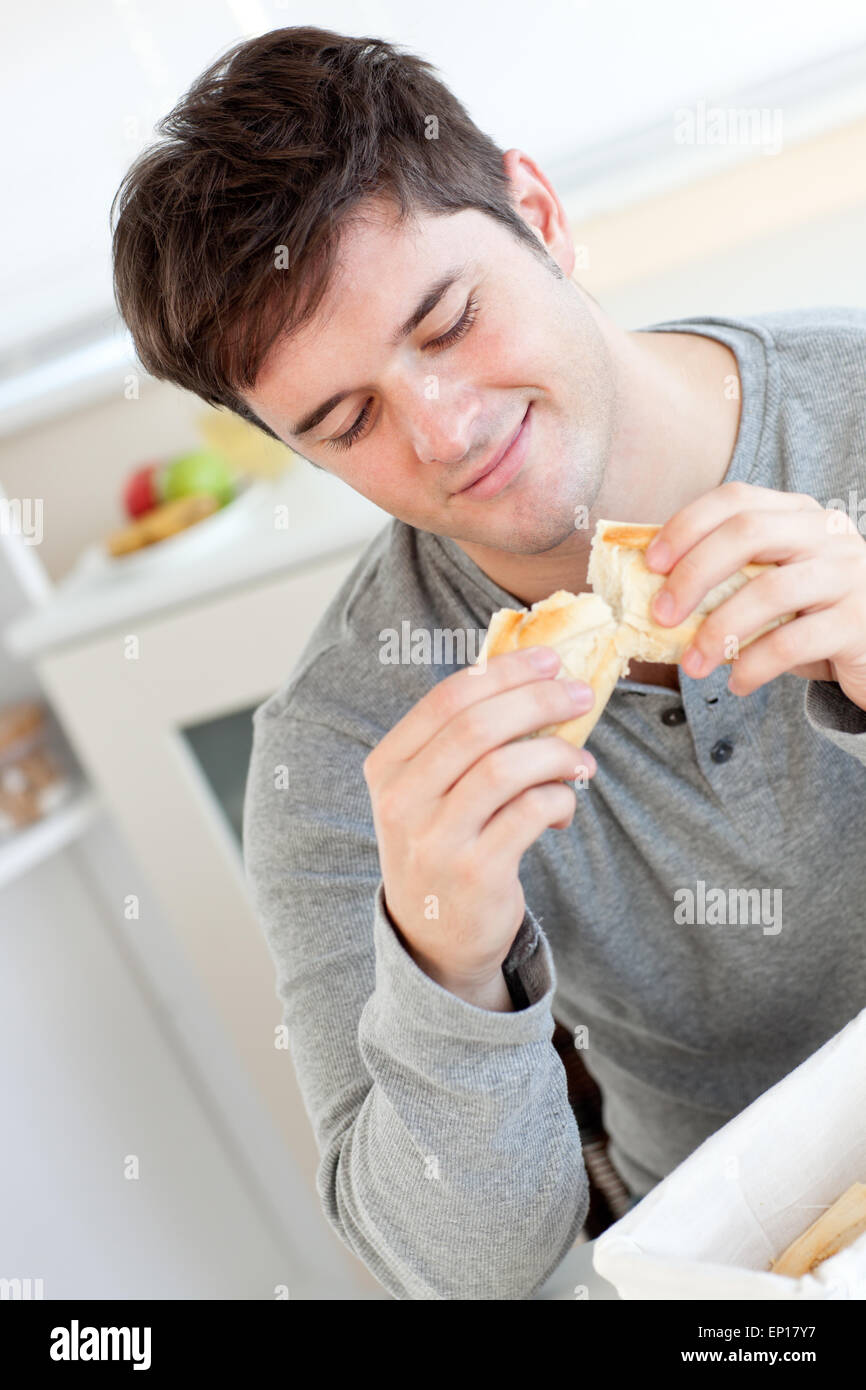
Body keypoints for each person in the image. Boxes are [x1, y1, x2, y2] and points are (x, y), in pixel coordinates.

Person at [111, 25, 866, 1300]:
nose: (448, 433)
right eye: (347, 422)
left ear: (537, 213)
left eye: (449, 321)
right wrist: (446, 963)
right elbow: (467, 1278)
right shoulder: (340, 746)